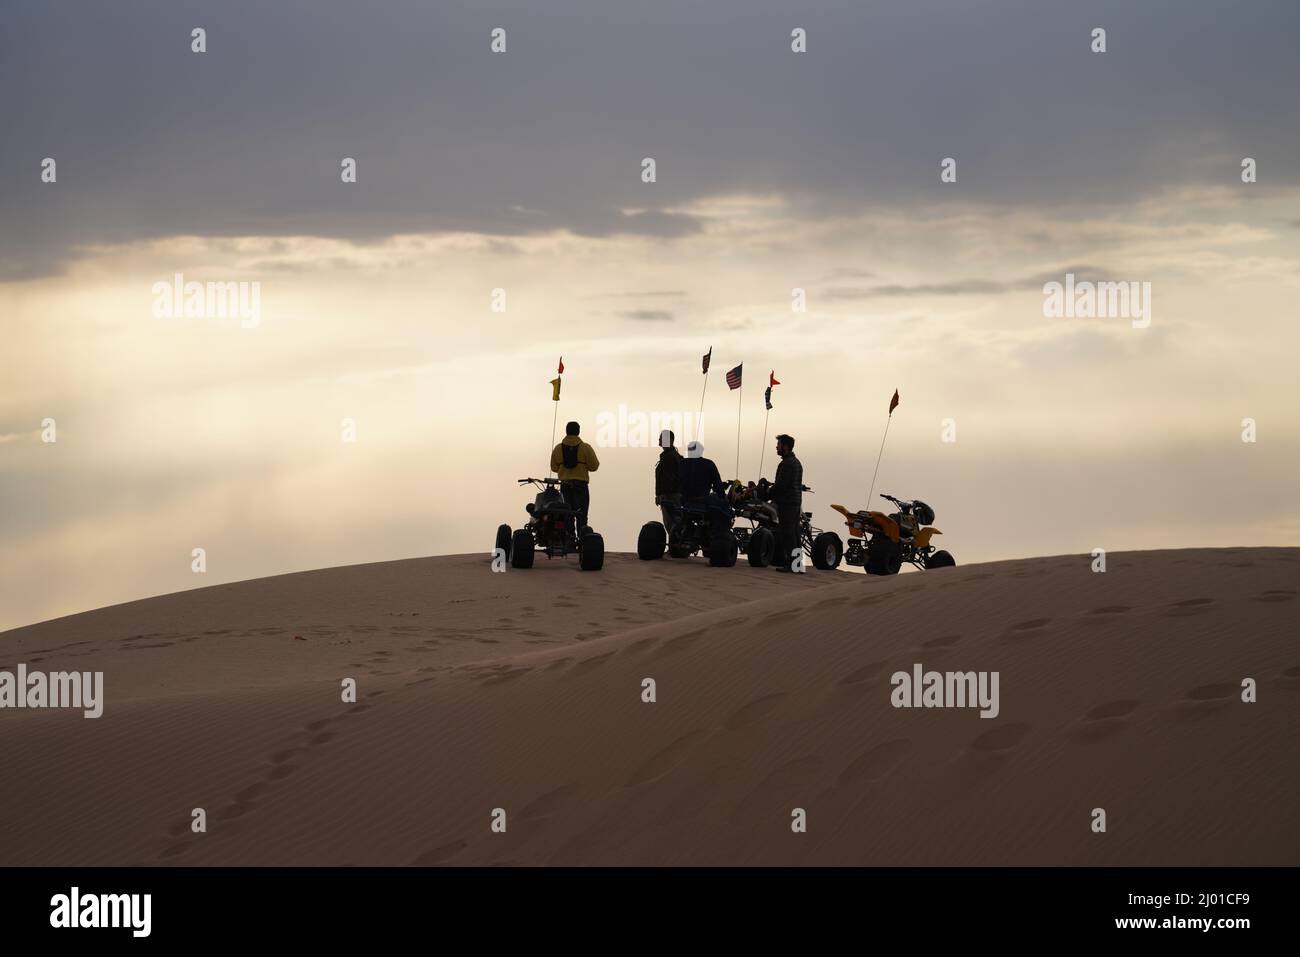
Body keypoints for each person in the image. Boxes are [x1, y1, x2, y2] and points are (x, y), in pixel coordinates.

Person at [550, 421, 599, 529]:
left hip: (565, 485)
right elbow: (594, 466)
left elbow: (554, 468)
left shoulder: (558, 448)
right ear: (578, 431)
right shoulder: (586, 447)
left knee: (567, 515)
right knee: (581, 516)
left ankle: (569, 541)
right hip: (581, 486)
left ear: (566, 432)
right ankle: (582, 540)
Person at [679, 440, 731, 537]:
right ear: (700, 451)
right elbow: (718, 486)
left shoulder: (680, 464)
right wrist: (724, 498)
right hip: (702, 501)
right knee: (725, 506)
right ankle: (721, 534)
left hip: (683, 501)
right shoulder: (708, 464)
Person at [768, 433, 803, 572]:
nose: (776, 447)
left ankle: (793, 565)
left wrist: (767, 493)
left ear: (786, 447)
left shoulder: (787, 463)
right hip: (794, 502)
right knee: (794, 534)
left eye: (779, 445)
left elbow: (781, 485)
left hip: (787, 503)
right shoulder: (796, 462)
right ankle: (797, 565)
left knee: (788, 534)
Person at [654, 429, 683, 531]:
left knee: (671, 525)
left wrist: (661, 496)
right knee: (674, 525)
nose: (659, 442)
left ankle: (674, 545)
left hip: (670, 497)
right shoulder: (674, 456)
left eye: (661, 439)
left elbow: (668, 479)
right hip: (673, 496)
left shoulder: (669, 457)